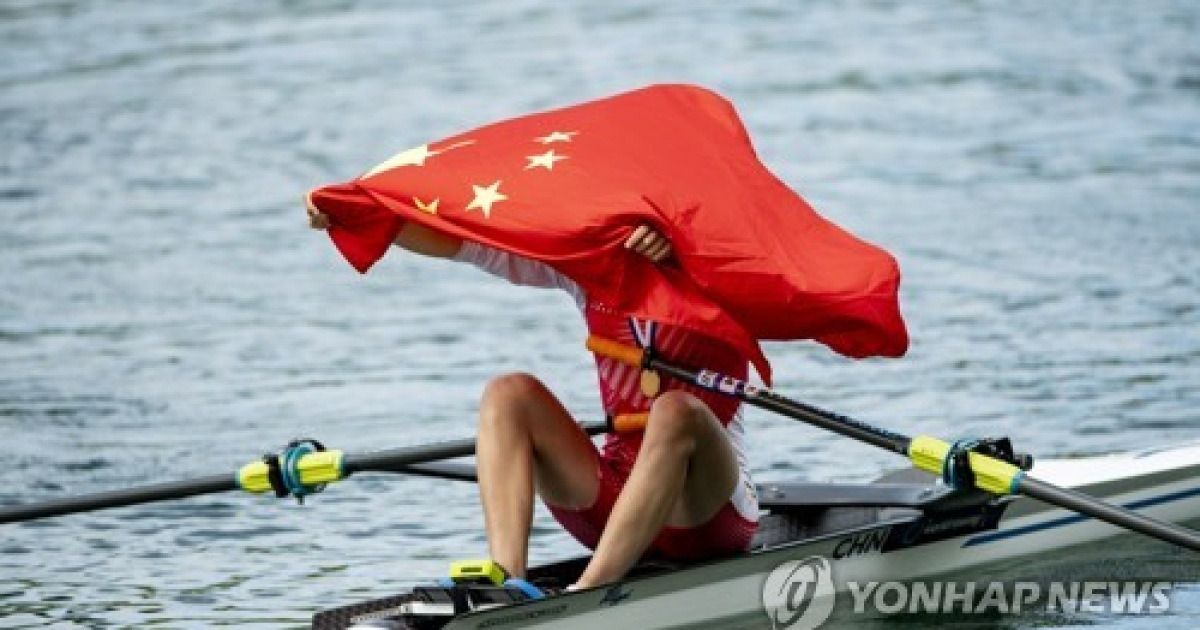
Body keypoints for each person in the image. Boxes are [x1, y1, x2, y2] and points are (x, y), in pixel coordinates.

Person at [306, 193, 758, 592]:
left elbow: (800, 289)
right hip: (614, 501)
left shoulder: (721, 271)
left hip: (706, 515)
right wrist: (357, 214)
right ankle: (508, 580)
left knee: (675, 409)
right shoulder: (590, 270)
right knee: (509, 393)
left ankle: (590, 591)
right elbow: (463, 246)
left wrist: (682, 251)